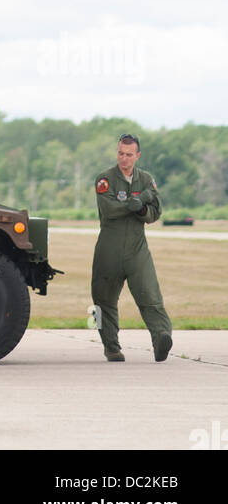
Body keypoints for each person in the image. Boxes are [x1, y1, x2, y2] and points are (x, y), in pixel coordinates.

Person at [91, 133, 172, 363]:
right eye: (120, 153)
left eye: (128, 154)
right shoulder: (104, 179)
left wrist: (142, 210)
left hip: (137, 248)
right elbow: (109, 210)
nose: (123, 158)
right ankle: (111, 347)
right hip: (109, 248)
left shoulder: (146, 179)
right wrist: (134, 203)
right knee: (101, 301)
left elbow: (155, 212)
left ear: (137, 155)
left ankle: (161, 339)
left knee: (150, 295)